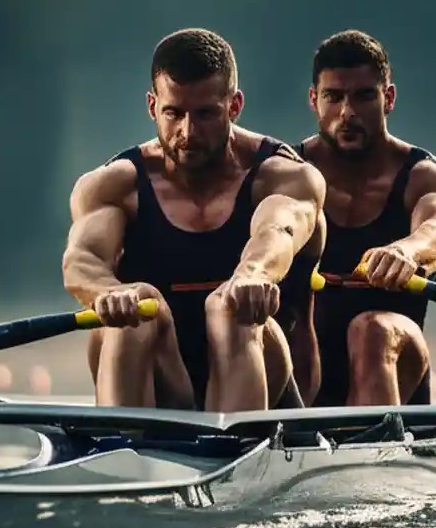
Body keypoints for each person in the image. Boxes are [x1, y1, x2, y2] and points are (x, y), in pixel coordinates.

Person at [62, 28, 325, 412]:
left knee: (230, 305)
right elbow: (80, 261)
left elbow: (278, 230)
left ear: (234, 106)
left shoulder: (285, 177)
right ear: (153, 106)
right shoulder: (113, 185)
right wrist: (105, 291)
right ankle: (125, 449)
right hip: (164, 381)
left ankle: (236, 447)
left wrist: (252, 276)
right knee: (138, 306)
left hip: (263, 380)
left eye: (205, 114)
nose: (188, 132)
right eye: (174, 113)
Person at [294, 30, 436, 407]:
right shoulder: (284, 173)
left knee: (371, 329)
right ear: (314, 100)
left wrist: (407, 252)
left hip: (393, 363)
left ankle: (375, 445)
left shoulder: (430, 179)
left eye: (363, 96)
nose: (348, 113)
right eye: (333, 97)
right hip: (301, 377)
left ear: (387, 98)